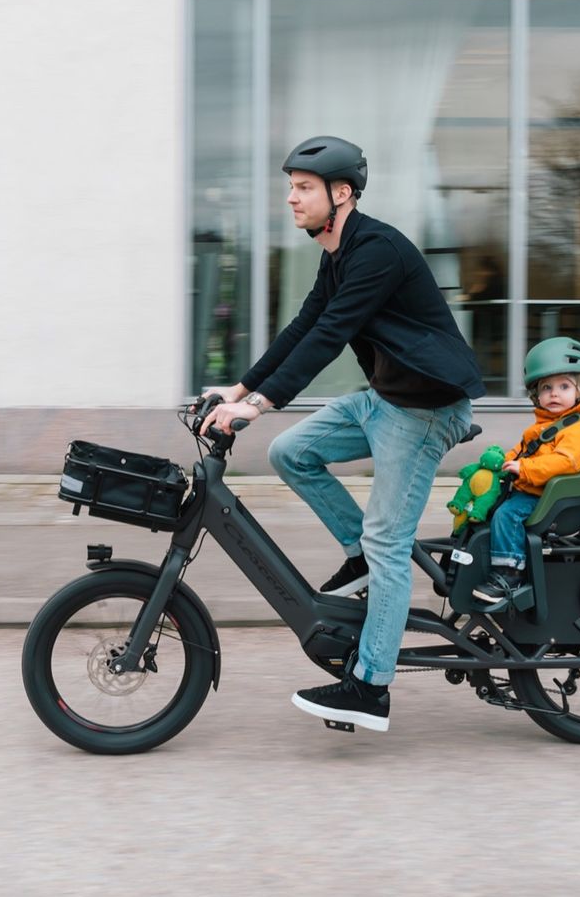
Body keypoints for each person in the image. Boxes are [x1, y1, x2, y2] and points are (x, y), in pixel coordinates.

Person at [197, 135, 484, 733]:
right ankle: (358, 556)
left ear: (342, 193)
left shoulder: (376, 250)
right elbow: (306, 323)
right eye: (291, 186)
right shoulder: (339, 252)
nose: (290, 198)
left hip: (425, 411)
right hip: (385, 399)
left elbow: (332, 333)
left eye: (303, 188)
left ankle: (371, 686)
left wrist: (265, 401)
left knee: (389, 542)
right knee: (292, 452)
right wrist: (241, 390)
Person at [470, 337, 580, 605]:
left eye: (564, 386)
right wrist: (502, 465)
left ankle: (509, 575)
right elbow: (522, 451)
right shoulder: (547, 424)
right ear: (536, 395)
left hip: (551, 497)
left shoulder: (578, 427)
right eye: (546, 387)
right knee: (484, 508)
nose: (554, 393)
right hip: (536, 488)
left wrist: (524, 469)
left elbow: (567, 462)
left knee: (507, 515)